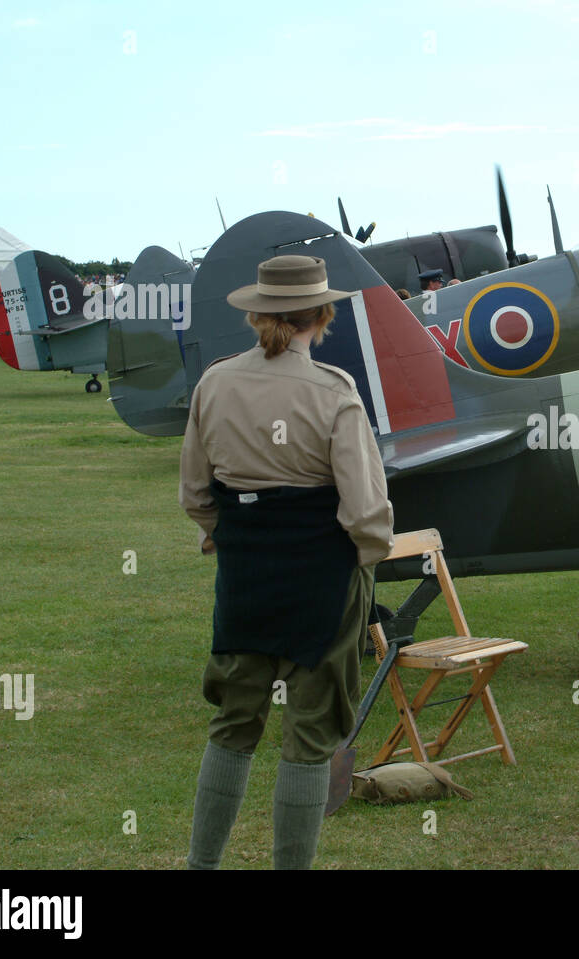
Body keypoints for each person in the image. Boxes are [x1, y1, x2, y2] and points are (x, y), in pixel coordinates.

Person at [179, 254, 394, 869]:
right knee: (311, 732)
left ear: (256, 314)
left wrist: (234, 537)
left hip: (244, 575)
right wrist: (367, 557)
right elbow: (364, 510)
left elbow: (195, 494)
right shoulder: (334, 392)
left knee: (234, 723)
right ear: (323, 315)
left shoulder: (213, 383)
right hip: (322, 581)